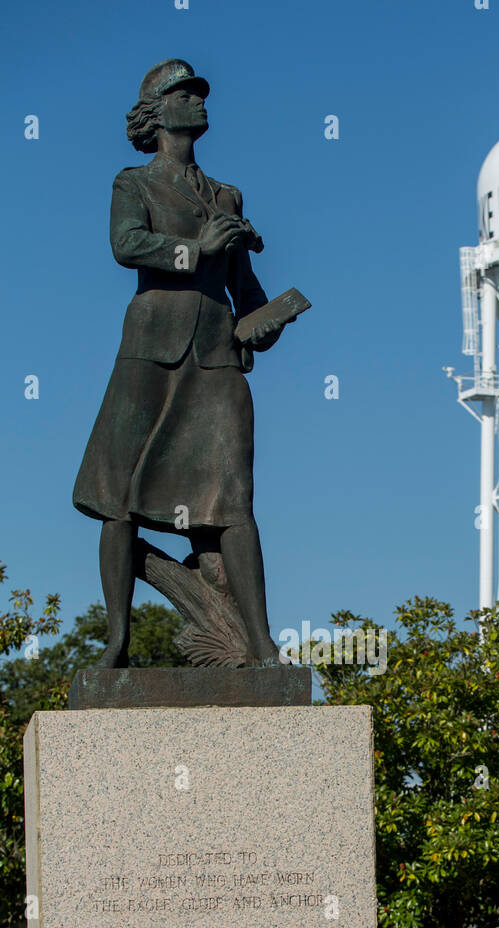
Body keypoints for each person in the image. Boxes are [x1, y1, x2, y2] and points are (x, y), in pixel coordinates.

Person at [73, 59, 291, 667]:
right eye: (183, 92)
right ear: (156, 112)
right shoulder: (133, 183)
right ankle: (116, 643)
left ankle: (262, 645)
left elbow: (245, 293)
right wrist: (198, 249)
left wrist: (267, 322)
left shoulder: (227, 195)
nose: (197, 100)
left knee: (234, 503)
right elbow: (127, 244)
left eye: (198, 92)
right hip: (151, 351)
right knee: (118, 497)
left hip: (217, 357)